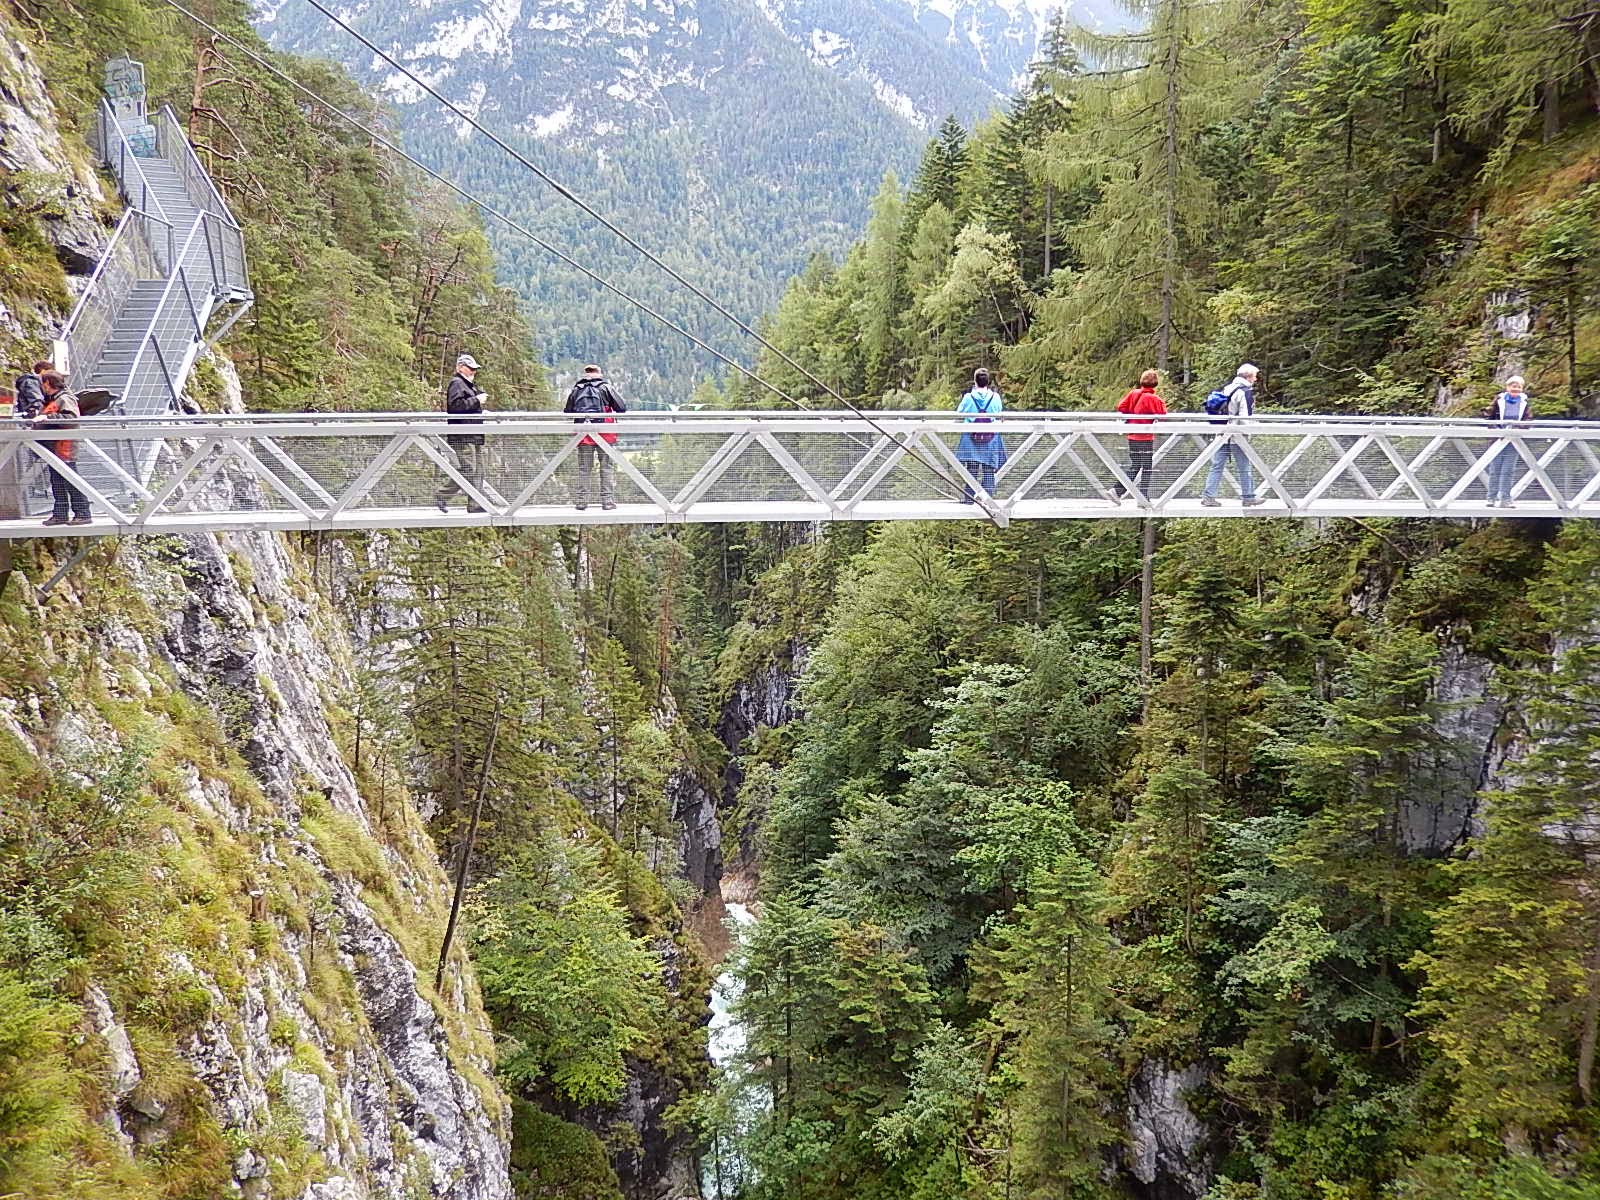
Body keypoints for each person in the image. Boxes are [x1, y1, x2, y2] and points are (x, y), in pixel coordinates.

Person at [564, 365, 628, 511]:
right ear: (599, 374)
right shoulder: (605, 387)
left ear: (585, 374)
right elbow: (621, 408)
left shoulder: (577, 389)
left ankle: (581, 502)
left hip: (583, 434)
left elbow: (568, 411)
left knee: (584, 469)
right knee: (606, 468)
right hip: (605, 434)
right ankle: (608, 502)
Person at [1201, 362, 1263, 507]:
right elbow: (1245, 416)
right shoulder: (1245, 392)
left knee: (1217, 466)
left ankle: (1208, 497)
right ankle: (1249, 497)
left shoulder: (1228, 388)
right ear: (1248, 376)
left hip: (1222, 434)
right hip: (1237, 436)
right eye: (1254, 376)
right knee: (1244, 466)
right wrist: (1250, 432)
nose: (1255, 379)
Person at [35, 371, 91, 526]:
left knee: (71, 481)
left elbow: (71, 420)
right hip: (56, 448)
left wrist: (48, 418)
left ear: (47, 383)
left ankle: (83, 513)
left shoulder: (65, 398)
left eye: (42, 383)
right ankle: (61, 514)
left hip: (64, 448)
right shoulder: (56, 399)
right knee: (58, 482)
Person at [435, 354, 487, 512]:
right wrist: (477, 400)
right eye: (470, 368)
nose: (473, 371)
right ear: (460, 367)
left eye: (474, 369)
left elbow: (467, 408)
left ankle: (475, 504)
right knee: (468, 470)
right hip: (463, 436)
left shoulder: (467, 385)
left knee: (479, 471)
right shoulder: (457, 383)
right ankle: (442, 495)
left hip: (473, 435)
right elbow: (456, 407)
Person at [1112, 369, 1168, 500]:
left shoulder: (1133, 394)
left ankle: (1117, 491)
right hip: (1146, 437)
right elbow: (1163, 415)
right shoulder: (1154, 399)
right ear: (1155, 383)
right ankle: (1143, 496)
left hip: (1132, 435)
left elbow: (1121, 407)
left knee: (1135, 465)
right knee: (1147, 467)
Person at [956, 369, 1006, 503]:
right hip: (991, 439)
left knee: (971, 469)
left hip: (971, 439)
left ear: (975, 381)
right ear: (988, 381)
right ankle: (987, 500)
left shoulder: (968, 398)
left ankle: (969, 499)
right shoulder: (995, 397)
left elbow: (958, 415)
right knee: (989, 471)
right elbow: (1000, 415)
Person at [1483, 375, 1532, 508]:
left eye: (1518, 387)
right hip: (1497, 440)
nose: (1515, 389)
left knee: (1508, 470)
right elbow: (1488, 417)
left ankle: (1506, 499)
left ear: (1522, 389)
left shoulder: (1524, 402)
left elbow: (1528, 421)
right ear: (1507, 387)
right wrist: (1497, 431)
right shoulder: (1499, 400)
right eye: (1513, 386)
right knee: (1495, 469)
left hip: (1514, 440)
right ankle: (1491, 498)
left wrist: (1516, 430)